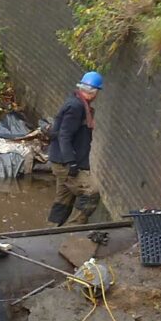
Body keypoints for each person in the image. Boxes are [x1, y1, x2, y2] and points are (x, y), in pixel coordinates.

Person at [46, 71, 104, 228]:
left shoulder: (77, 103)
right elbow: (64, 135)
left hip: (62, 160)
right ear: (94, 92)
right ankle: (74, 230)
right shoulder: (76, 107)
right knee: (91, 193)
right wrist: (71, 162)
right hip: (65, 163)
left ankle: (50, 230)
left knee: (63, 199)